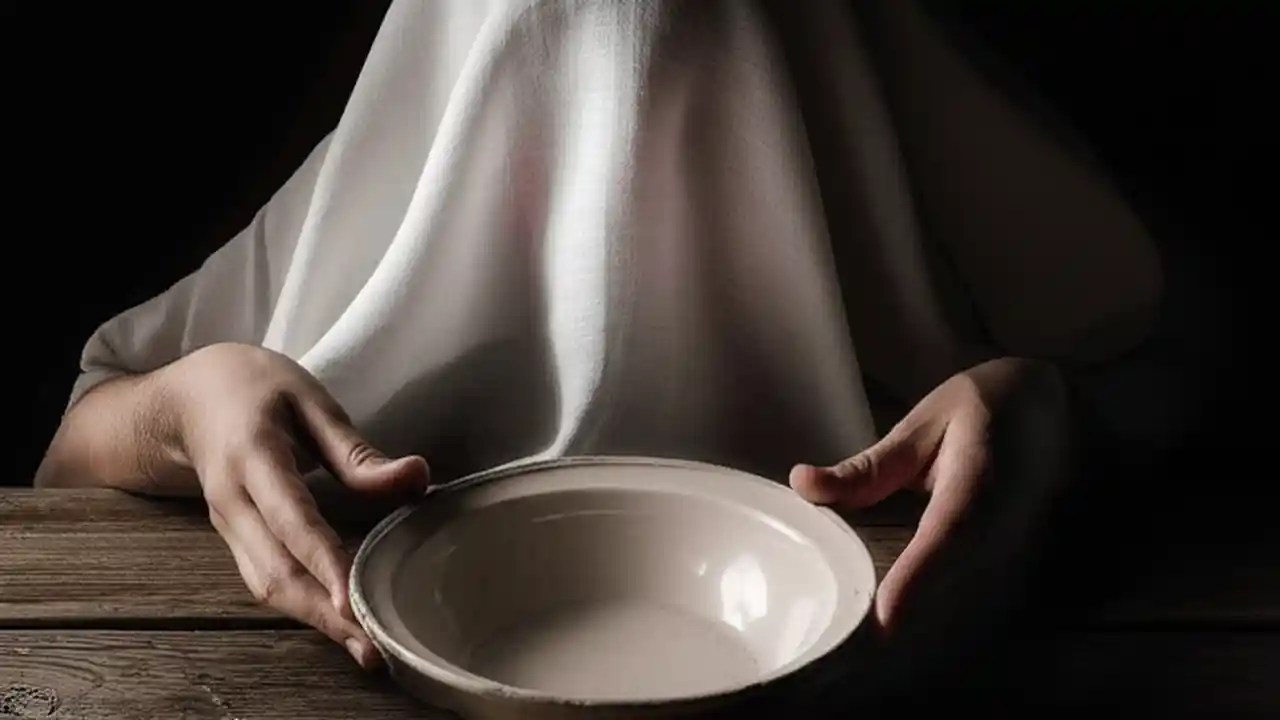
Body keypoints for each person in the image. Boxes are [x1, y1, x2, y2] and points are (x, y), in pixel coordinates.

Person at [34, 0, 1161, 693]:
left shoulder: (869, 98)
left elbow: (1185, 371)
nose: (600, 221)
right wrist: (189, 403)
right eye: (523, 120)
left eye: (708, 129)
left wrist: (1055, 412)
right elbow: (73, 448)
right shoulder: (386, 183)